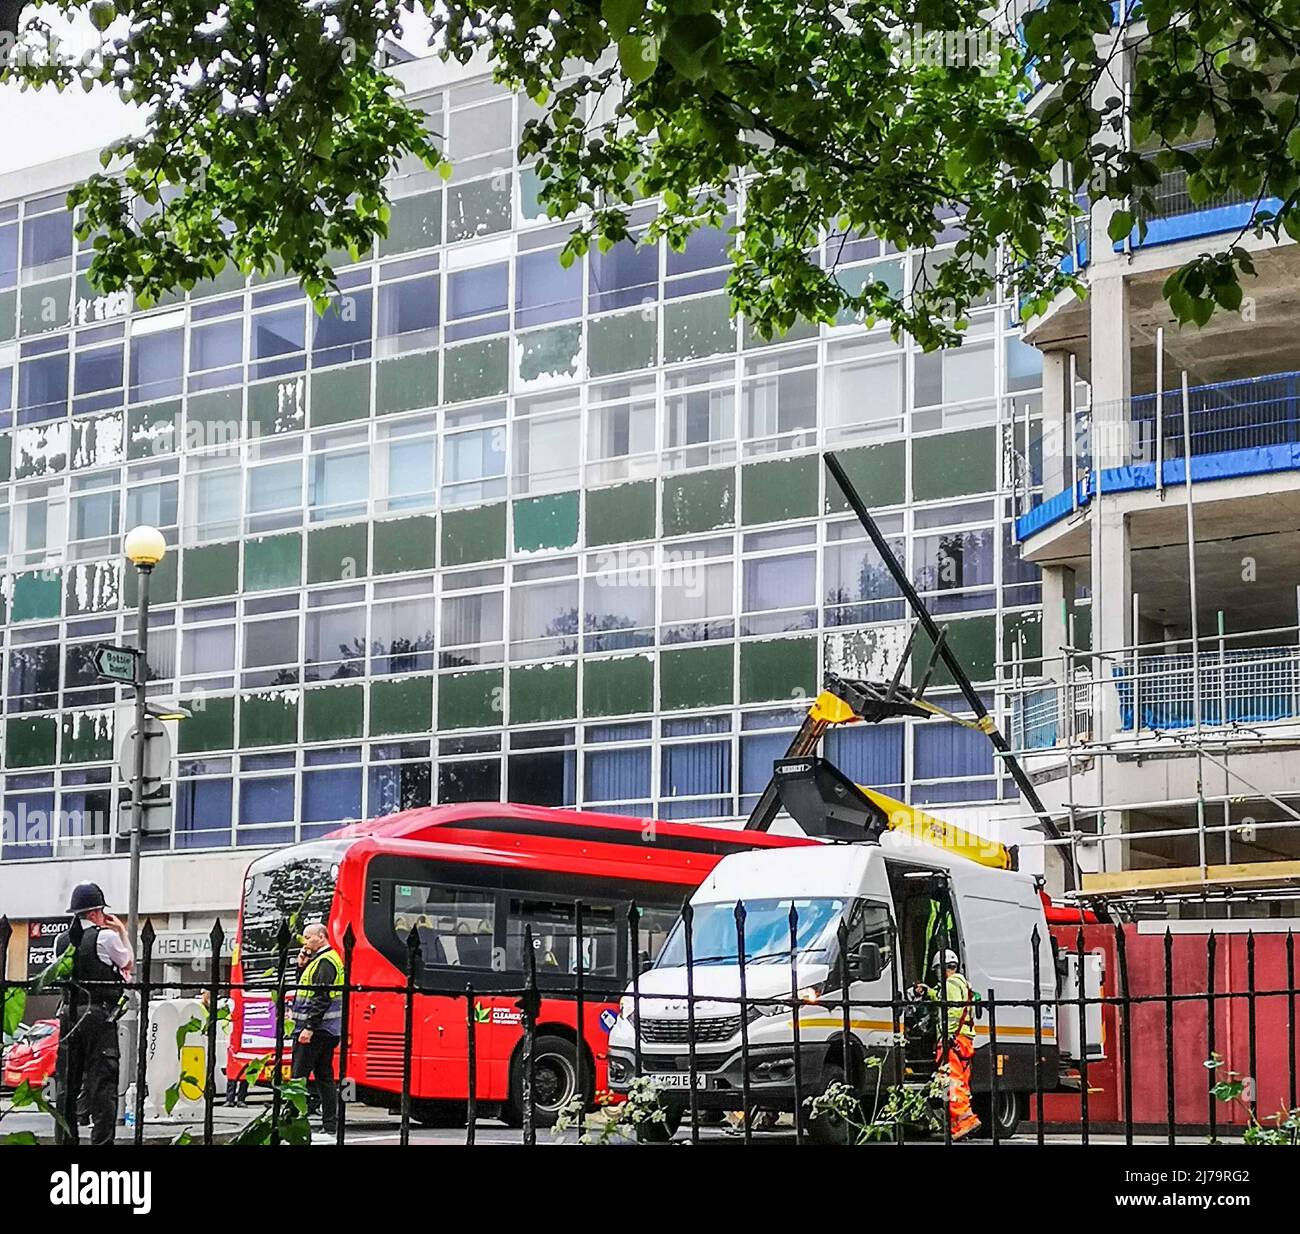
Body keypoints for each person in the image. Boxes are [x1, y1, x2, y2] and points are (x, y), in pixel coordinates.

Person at [53, 882, 134, 1147]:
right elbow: (128, 963)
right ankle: (101, 1143)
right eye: (101, 912)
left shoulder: (60, 941)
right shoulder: (106, 937)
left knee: (67, 1086)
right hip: (98, 1014)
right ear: (94, 913)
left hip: (68, 1014)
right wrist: (121, 931)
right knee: (102, 1085)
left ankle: (66, 1142)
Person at [913, 948, 980, 1141]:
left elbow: (953, 1011)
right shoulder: (961, 983)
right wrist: (930, 992)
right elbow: (947, 1000)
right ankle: (959, 1125)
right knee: (961, 1083)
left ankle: (965, 1122)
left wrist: (947, 1035)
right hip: (964, 1039)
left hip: (952, 1039)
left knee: (951, 1082)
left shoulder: (950, 983)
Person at [290, 923, 342, 1140]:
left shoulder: (325, 962)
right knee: (324, 1077)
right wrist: (301, 967)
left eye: (308, 937)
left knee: (297, 1078)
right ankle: (330, 1124)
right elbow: (306, 989)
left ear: (321, 936)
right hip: (327, 1030)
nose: (305, 942)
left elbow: (321, 997)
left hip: (316, 1030)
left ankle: (291, 1122)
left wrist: (309, 1027)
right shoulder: (320, 960)